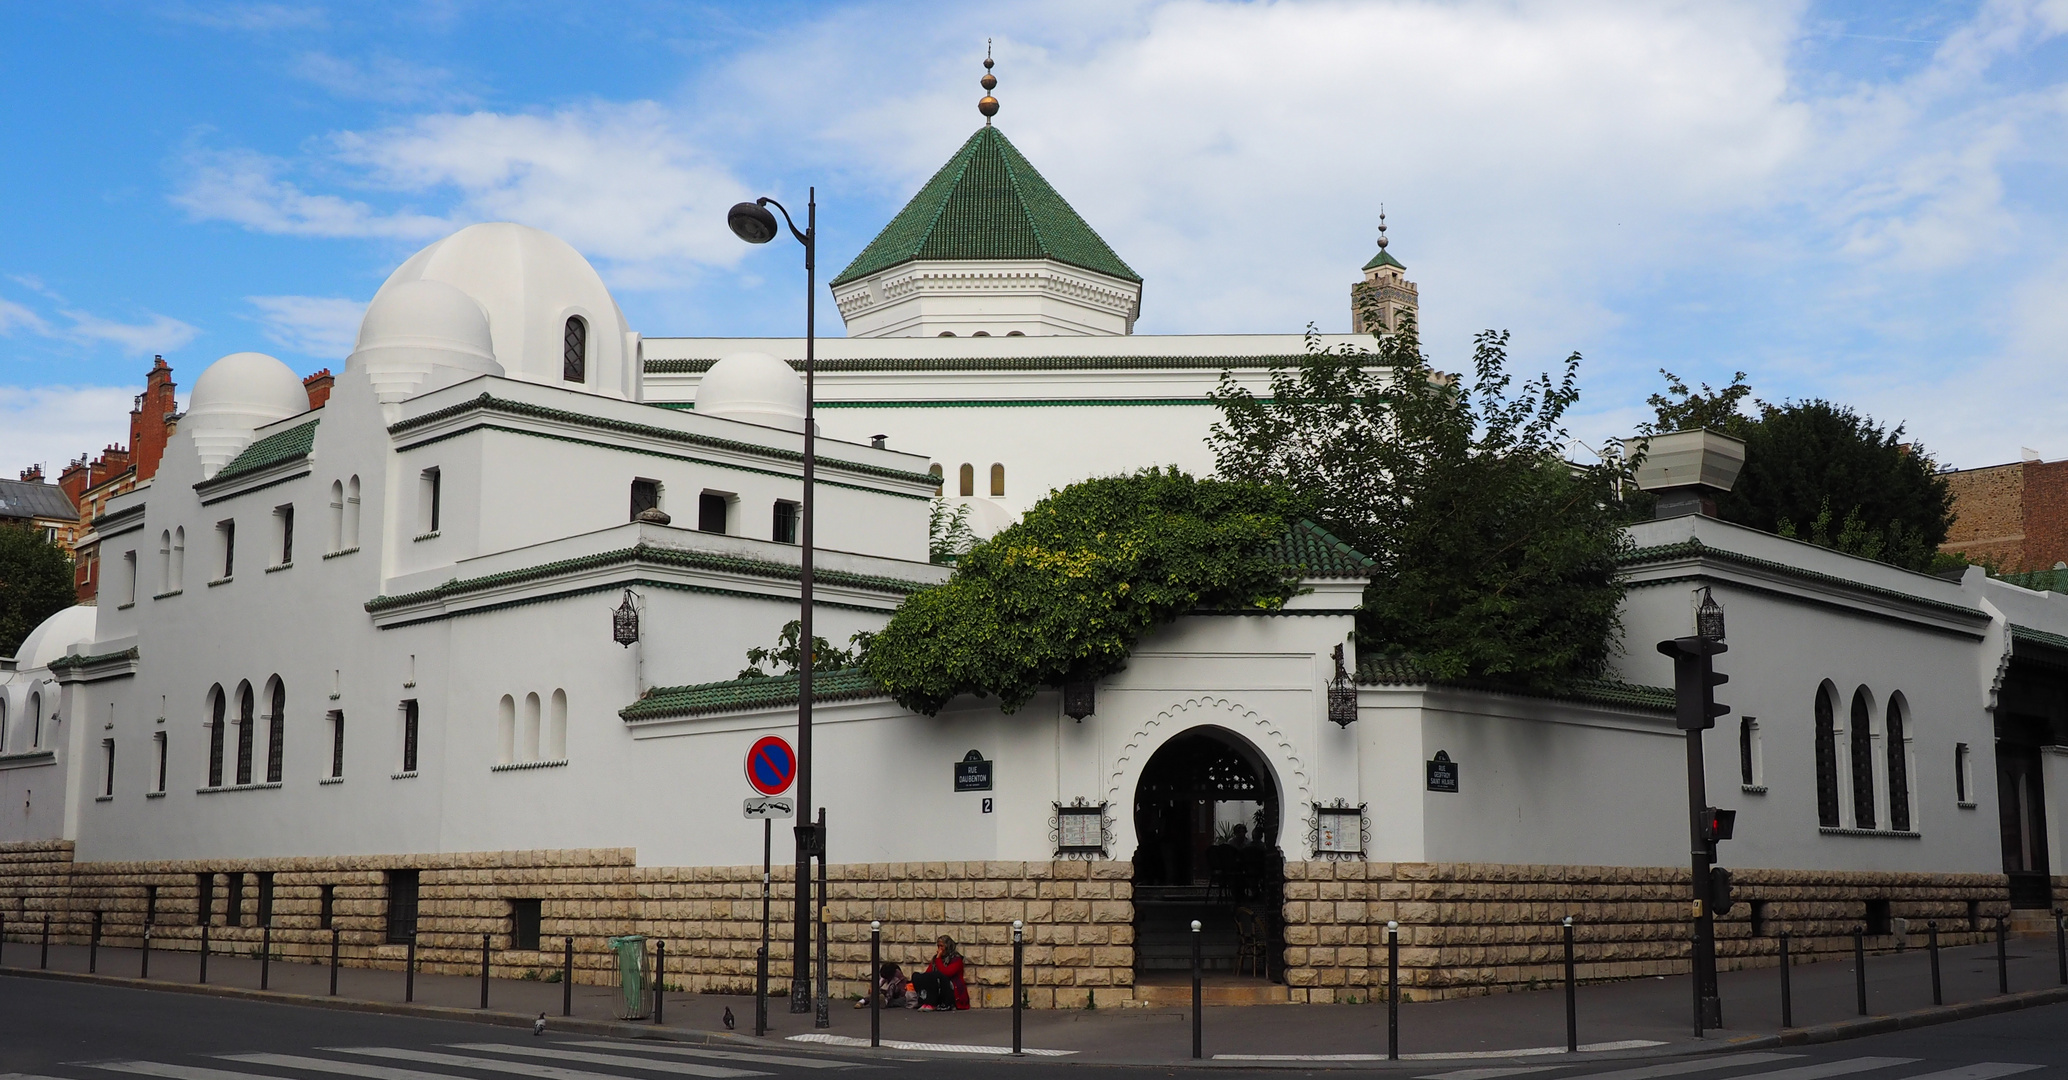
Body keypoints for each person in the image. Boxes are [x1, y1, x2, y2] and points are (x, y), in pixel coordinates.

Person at [910, 935, 969, 1011]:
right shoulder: (936, 959)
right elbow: (928, 973)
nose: (939, 949)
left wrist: (938, 959)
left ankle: (933, 1003)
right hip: (939, 987)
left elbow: (946, 973)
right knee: (917, 976)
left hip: (952, 989)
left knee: (936, 975)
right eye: (938, 946)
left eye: (942, 946)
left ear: (948, 946)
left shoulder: (956, 959)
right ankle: (925, 1001)